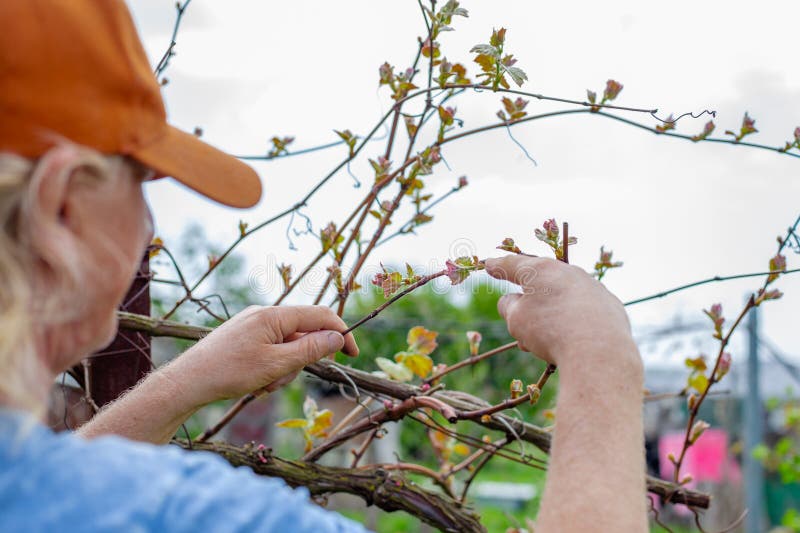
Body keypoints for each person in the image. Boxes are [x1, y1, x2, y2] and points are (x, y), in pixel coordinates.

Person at [0, 1, 647, 531]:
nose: (150, 223)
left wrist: (187, 379)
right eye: (140, 178)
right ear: (61, 208)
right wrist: (600, 355)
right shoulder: (199, 515)